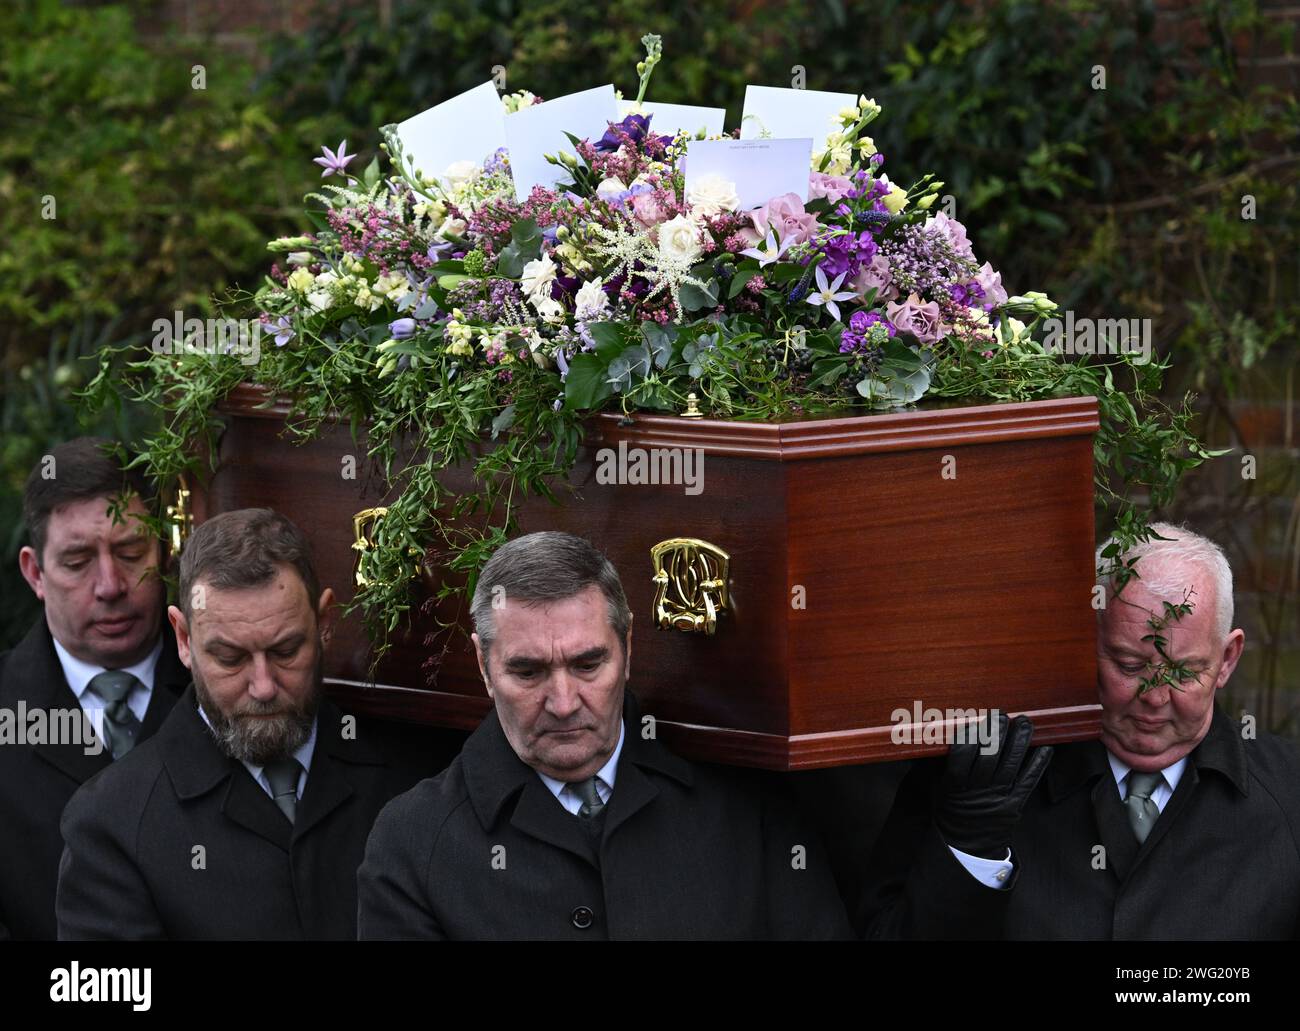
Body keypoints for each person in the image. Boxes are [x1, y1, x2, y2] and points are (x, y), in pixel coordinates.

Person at [359, 531, 1045, 939]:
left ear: (628, 650)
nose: (563, 700)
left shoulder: (741, 804)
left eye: (588, 663)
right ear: (483, 666)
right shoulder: (414, 843)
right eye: (529, 670)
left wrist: (968, 841)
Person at [862, 522, 1300, 939]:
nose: (1155, 696)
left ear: (1227, 660)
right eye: (1130, 665)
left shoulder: (1290, 793)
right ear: (1083, 640)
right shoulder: (973, 778)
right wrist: (969, 852)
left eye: (1184, 672)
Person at [55, 508, 462, 939]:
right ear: (183, 639)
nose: (264, 687)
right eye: (230, 659)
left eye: (286, 650)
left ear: (324, 623)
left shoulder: (417, 774)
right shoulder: (110, 822)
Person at [0, 437, 188, 940]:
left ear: (165, 553)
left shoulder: (230, 687)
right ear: (35, 572)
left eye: (130, 551)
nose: (110, 585)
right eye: (78, 561)